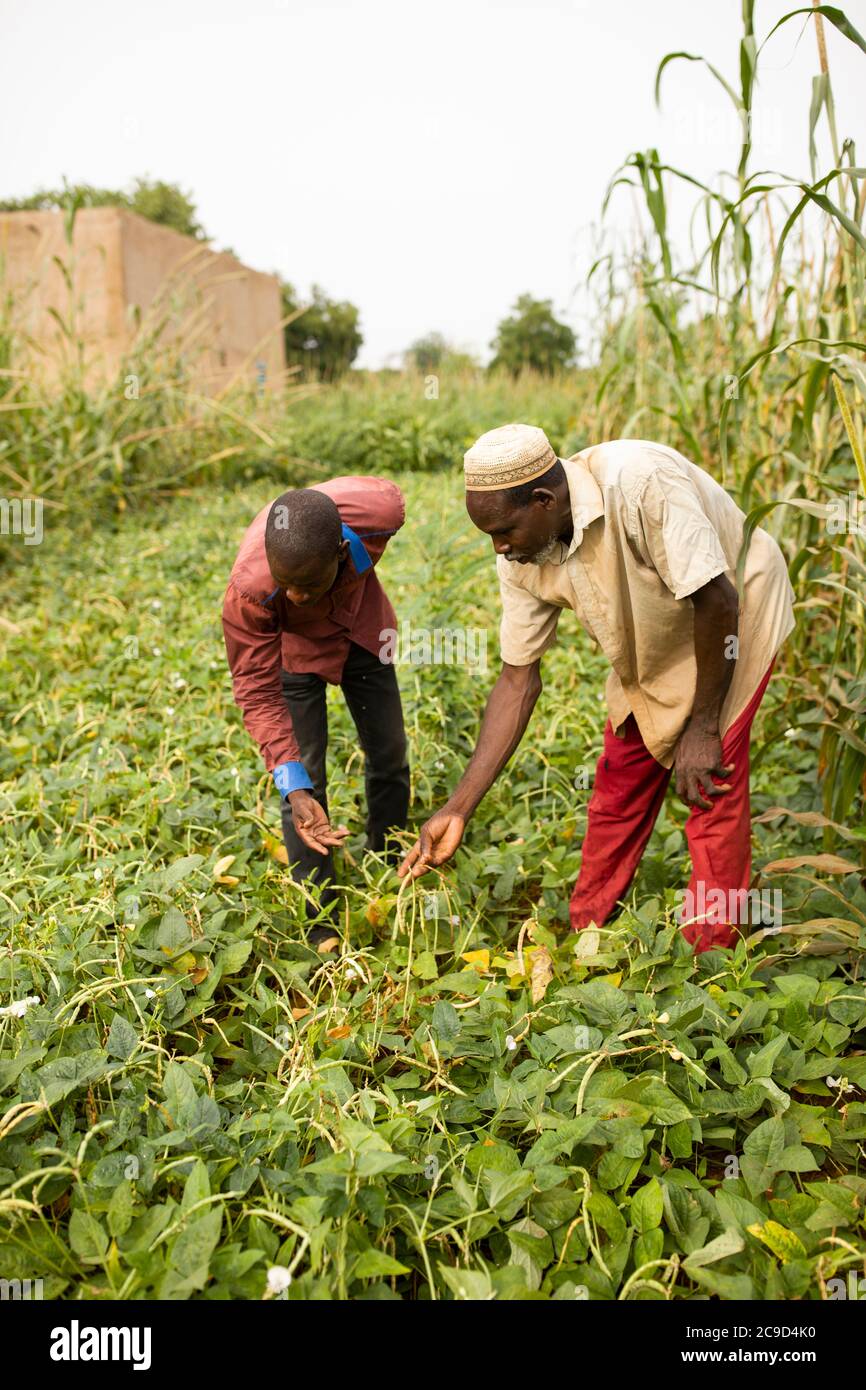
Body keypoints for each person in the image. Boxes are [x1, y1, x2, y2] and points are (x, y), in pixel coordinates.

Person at [399, 423, 795, 953]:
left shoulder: (640, 483)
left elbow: (718, 601)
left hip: (733, 620)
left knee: (710, 784)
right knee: (619, 779)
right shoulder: (521, 555)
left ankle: (713, 967)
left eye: (503, 532)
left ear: (544, 499)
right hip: (655, 634)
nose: (499, 548)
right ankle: (586, 930)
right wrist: (458, 807)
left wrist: (703, 728)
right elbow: (518, 679)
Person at [223, 476, 410, 945]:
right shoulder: (250, 592)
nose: (296, 597)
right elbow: (256, 690)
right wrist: (292, 785)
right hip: (296, 656)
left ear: (340, 554)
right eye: (286, 585)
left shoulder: (379, 516)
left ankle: (389, 861)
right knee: (305, 781)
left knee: (389, 753)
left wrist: (309, 516)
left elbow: (363, 495)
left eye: (307, 584)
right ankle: (318, 917)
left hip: (363, 633)